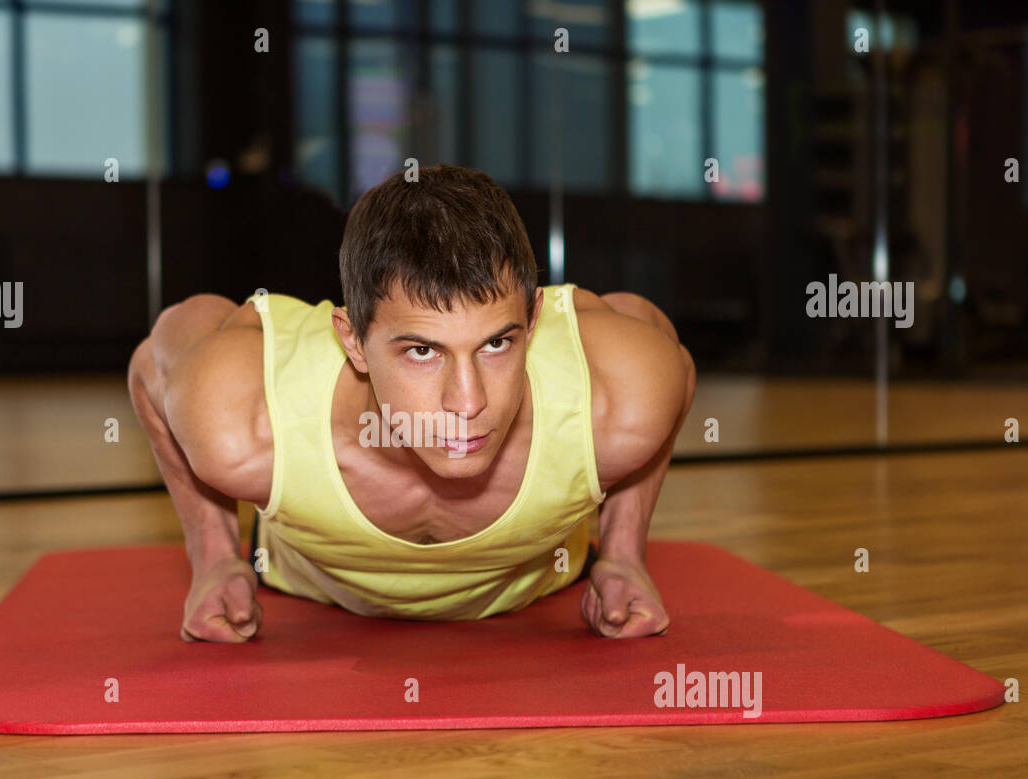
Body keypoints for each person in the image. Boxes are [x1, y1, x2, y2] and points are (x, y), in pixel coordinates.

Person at [128, 164, 695, 643]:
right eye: (422, 351)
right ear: (353, 342)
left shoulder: (618, 400)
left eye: (496, 342)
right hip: (307, 579)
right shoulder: (246, 423)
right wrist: (215, 556)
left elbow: (676, 365)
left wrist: (622, 553)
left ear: (535, 319)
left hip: (543, 580)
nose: (467, 402)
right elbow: (151, 363)